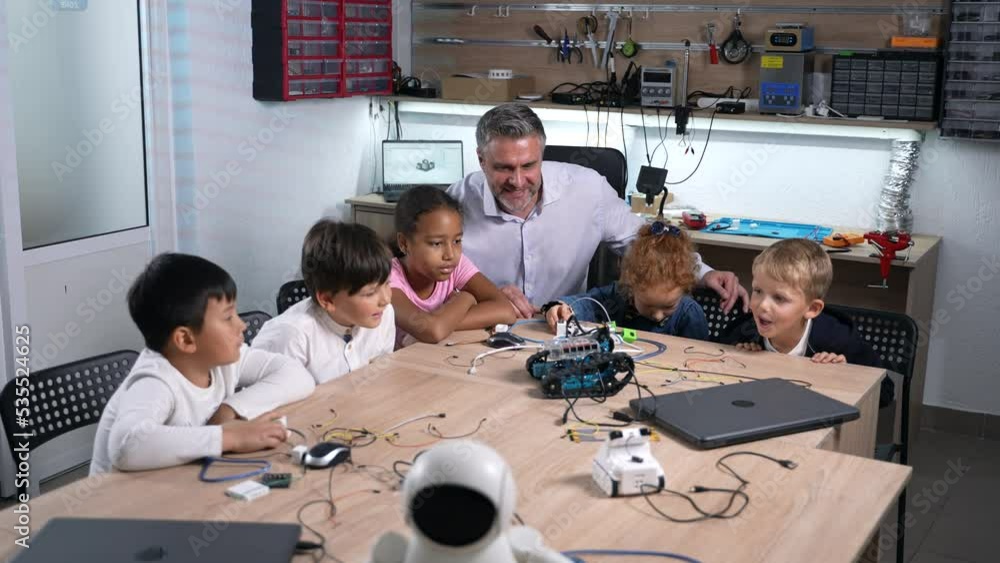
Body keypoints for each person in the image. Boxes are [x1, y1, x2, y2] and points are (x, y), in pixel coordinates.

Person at [445, 102, 748, 318]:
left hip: (563, 331)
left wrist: (704, 273)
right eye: (503, 168)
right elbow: (426, 279)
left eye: (528, 166)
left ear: (541, 156)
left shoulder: (587, 189)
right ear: (481, 160)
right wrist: (484, 297)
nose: (518, 181)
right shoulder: (454, 203)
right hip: (484, 332)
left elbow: (643, 242)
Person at [90, 253, 315, 474]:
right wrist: (229, 437)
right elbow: (127, 444)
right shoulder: (155, 381)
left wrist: (231, 409)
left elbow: (297, 376)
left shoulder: (222, 361)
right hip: (120, 504)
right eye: (228, 318)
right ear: (186, 339)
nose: (241, 326)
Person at [720, 238, 894, 406]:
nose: (762, 305)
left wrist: (845, 375)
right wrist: (738, 356)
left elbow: (885, 393)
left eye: (779, 298)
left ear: (812, 309)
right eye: (758, 290)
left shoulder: (838, 340)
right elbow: (715, 368)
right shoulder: (743, 331)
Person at [252, 220, 395, 383]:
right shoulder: (291, 336)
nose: (386, 299)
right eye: (370, 293)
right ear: (327, 299)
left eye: (387, 283)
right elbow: (264, 401)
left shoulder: (383, 314)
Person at [389, 185, 517, 346]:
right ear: (404, 243)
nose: (450, 254)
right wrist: (465, 298)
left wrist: (443, 323)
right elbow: (432, 331)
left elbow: (505, 310)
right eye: (436, 243)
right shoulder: (388, 280)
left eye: (457, 241)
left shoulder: (454, 265)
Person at [543, 221, 708, 340]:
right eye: (648, 306)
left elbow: (699, 357)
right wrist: (559, 308)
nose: (658, 316)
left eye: (668, 306)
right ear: (631, 286)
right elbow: (585, 303)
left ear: (684, 289)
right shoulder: (616, 298)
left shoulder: (690, 315)